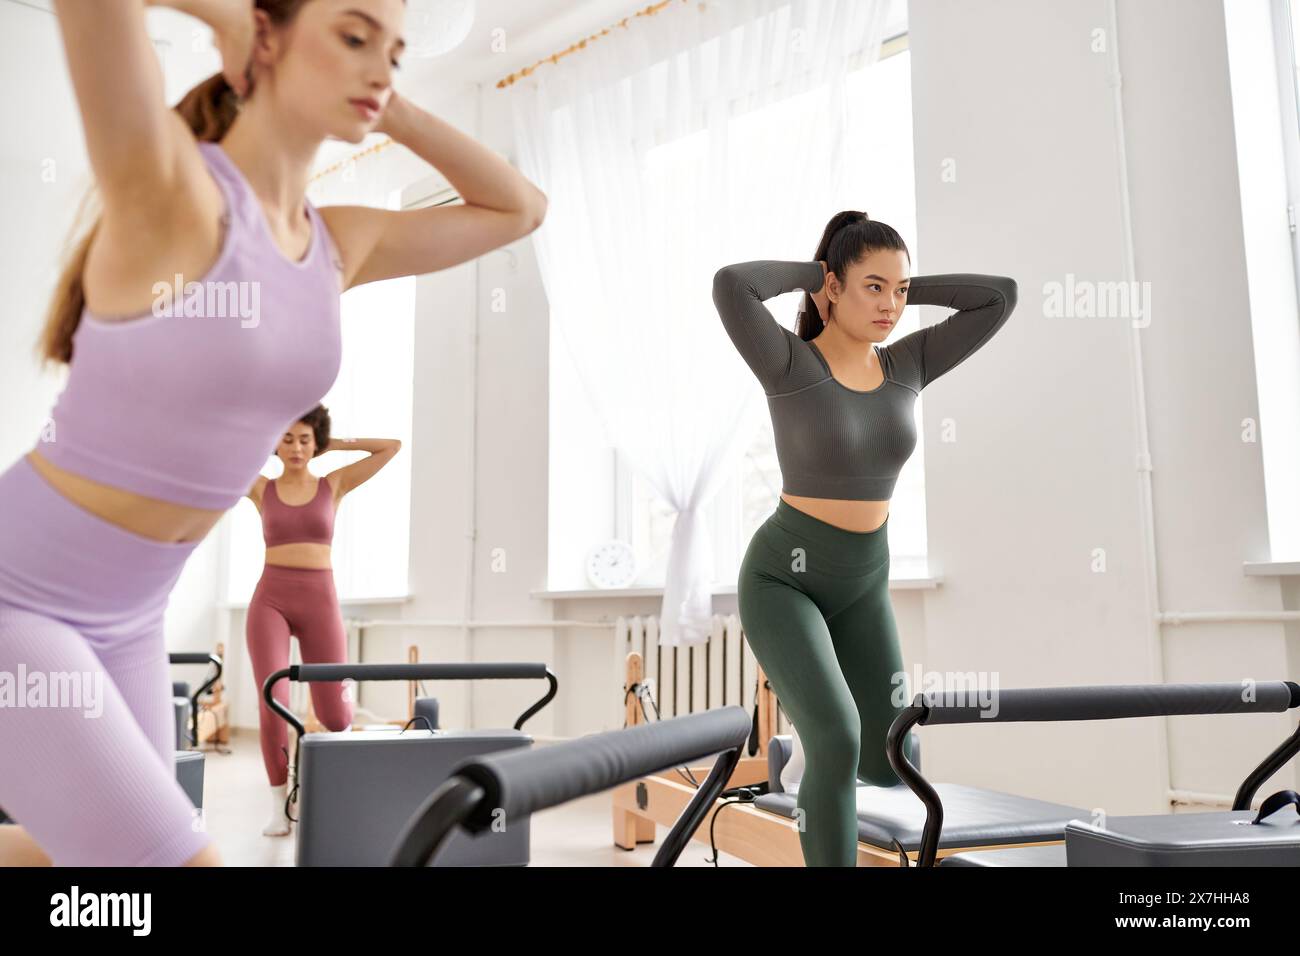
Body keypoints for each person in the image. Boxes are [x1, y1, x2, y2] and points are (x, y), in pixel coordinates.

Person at [0, 0, 546, 866]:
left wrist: (389, 103)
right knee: (173, 859)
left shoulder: (336, 243)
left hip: (132, 616)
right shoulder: (171, 186)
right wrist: (229, 16)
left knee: (106, 873)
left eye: (395, 51)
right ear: (267, 34)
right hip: (19, 601)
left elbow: (518, 209)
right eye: (354, 35)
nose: (381, 66)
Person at [713, 210, 1018, 865]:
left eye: (900, 290)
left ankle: (801, 761)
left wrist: (897, 286)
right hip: (783, 578)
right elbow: (733, 284)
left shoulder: (908, 362)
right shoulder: (789, 361)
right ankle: (819, 755)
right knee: (837, 736)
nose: (890, 305)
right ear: (832, 285)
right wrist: (817, 273)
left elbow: (999, 298)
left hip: (863, 581)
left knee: (892, 753)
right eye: (873, 287)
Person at [244, 404, 400, 835]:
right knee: (272, 702)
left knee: (335, 714)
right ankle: (279, 806)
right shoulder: (260, 487)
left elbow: (391, 447)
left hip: (320, 603)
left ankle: (337, 787)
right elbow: (214, 456)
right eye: (287, 439)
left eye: (304, 439)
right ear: (276, 444)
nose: (296, 448)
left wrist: (335, 445)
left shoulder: (334, 483)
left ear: (316, 443)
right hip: (270, 602)